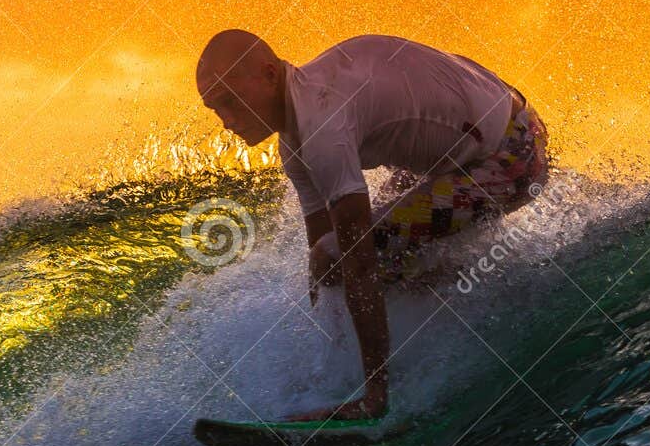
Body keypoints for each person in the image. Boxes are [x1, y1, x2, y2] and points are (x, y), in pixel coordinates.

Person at [195, 29, 548, 421]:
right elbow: (325, 264)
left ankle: (380, 391)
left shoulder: (322, 125)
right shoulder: (297, 136)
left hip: (512, 157)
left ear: (269, 75)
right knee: (341, 256)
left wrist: (371, 398)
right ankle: (368, 361)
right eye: (215, 108)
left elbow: (355, 261)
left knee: (353, 255)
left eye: (230, 100)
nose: (226, 121)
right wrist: (322, 372)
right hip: (490, 127)